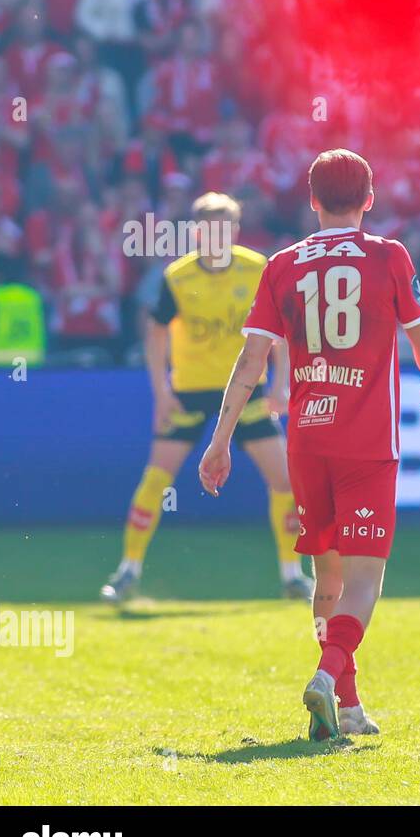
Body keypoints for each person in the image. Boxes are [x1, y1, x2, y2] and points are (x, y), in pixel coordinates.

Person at [199, 150, 420, 739]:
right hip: (366, 443)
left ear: (311, 200)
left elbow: (251, 361)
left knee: (326, 578)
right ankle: (327, 673)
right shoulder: (389, 256)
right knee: (363, 583)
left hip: (307, 439)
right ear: (369, 198)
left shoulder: (282, 265)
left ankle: (348, 706)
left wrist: (220, 441)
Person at [101, 193, 310, 604]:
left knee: (285, 480)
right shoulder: (178, 276)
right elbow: (156, 333)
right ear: (196, 231)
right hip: (190, 391)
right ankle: (128, 569)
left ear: (235, 230)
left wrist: (282, 383)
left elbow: (282, 330)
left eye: (225, 227)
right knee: (156, 477)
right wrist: (161, 392)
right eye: (208, 228)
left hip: (245, 390)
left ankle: (292, 574)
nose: (216, 235)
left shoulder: (258, 268)